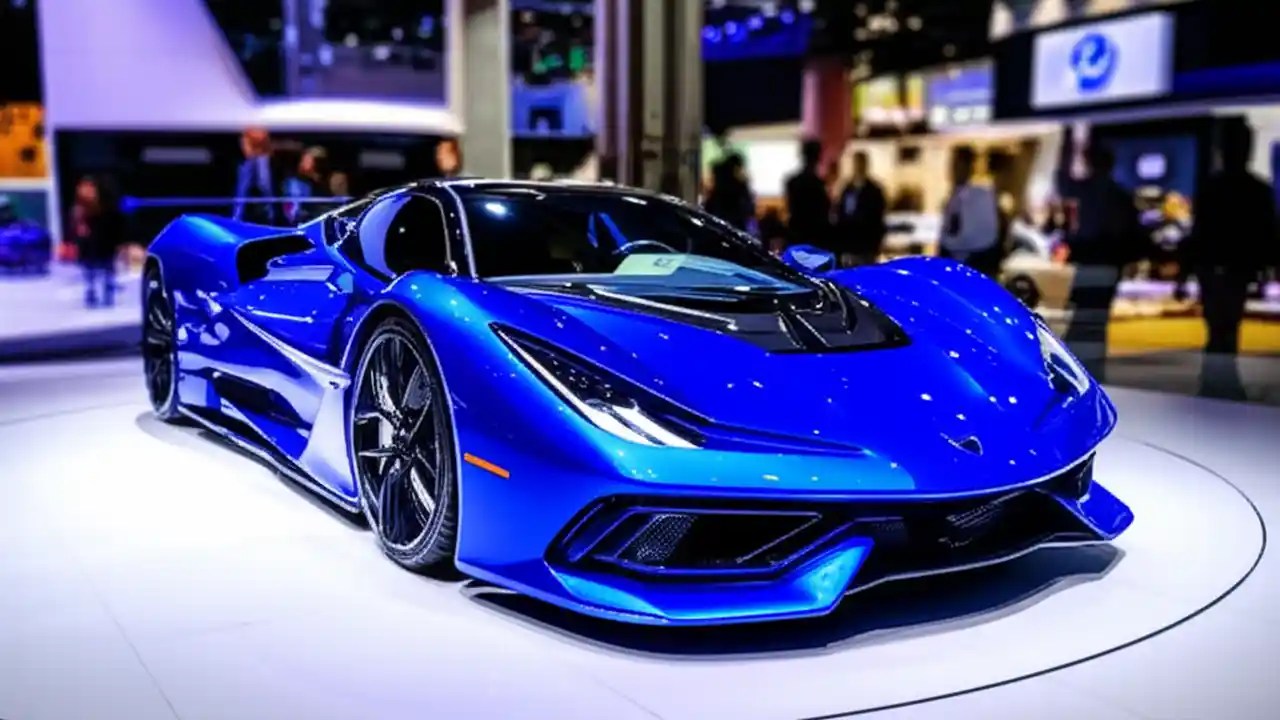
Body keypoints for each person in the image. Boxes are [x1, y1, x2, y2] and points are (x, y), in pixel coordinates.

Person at [1183, 122, 1279, 399]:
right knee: (1226, 325)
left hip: (1219, 266)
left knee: (1218, 326)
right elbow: (1267, 234)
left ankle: (1216, 381)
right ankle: (1221, 381)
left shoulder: (1213, 188)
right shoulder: (1254, 189)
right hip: (1234, 267)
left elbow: (1199, 231)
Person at [1060, 144, 1145, 383]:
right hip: (1107, 262)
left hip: (1091, 259)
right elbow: (1131, 233)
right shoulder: (1118, 195)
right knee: (1096, 318)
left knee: (1083, 317)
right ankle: (1091, 369)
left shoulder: (1085, 193)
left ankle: (1074, 369)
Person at [938, 146, 1001, 276]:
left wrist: (948, 243)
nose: (954, 170)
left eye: (959, 165)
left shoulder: (980, 196)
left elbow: (980, 237)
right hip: (953, 262)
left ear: (970, 168)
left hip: (972, 262)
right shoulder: (953, 197)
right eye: (953, 165)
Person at [69, 176, 124, 308]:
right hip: (89, 244)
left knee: (107, 267)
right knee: (90, 269)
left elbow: (115, 225)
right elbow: (76, 226)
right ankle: (92, 293)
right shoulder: (79, 209)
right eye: (84, 187)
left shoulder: (106, 207)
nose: (86, 190)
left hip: (105, 241)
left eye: (89, 187)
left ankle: (107, 291)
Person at [833, 151, 887, 266]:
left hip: (866, 243)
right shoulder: (847, 188)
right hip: (849, 241)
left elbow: (878, 217)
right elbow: (840, 213)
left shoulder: (874, 190)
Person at [784, 139, 830, 249]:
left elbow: (790, 207)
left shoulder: (792, 182)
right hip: (815, 238)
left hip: (796, 235)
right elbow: (824, 212)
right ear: (818, 158)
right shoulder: (819, 184)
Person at [233, 128, 282, 225]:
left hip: (263, 153)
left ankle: (272, 215)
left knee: (265, 184)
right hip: (249, 154)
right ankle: (237, 216)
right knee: (244, 186)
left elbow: (264, 137)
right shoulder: (246, 133)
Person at [704, 153, 756, 234]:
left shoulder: (719, 192)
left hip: (719, 229)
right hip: (734, 230)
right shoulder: (739, 189)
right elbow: (748, 210)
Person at [283, 146, 330, 225]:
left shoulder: (321, 182)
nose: (315, 163)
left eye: (318, 161)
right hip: (304, 223)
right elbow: (292, 213)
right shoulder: (295, 183)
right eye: (310, 160)